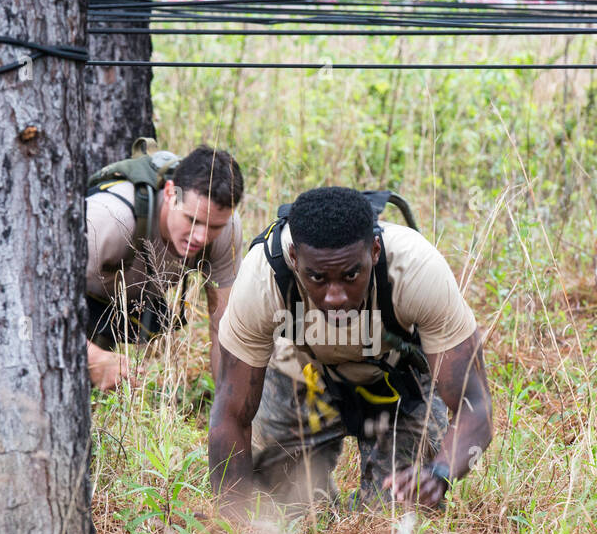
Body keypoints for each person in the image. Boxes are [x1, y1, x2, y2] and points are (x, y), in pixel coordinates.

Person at [208, 186, 492, 515]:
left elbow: (476, 404)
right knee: (284, 511)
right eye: (317, 278)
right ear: (294, 259)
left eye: (350, 275)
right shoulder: (263, 277)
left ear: (374, 250)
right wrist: (233, 518)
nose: (335, 297)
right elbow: (230, 413)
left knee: (397, 514)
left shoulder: (415, 269)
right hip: (304, 380)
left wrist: (439, 473)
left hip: (397, 387)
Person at [85, 145, 244, 390]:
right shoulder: (108, 219)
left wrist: (230, 411)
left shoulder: (226, 229)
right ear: (171, 193)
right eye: (193, 220)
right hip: (69, 305)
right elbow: (30, 307)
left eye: (214, 227)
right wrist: (92, 359)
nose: (201, 237)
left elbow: (225, 331)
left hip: (126, 306)